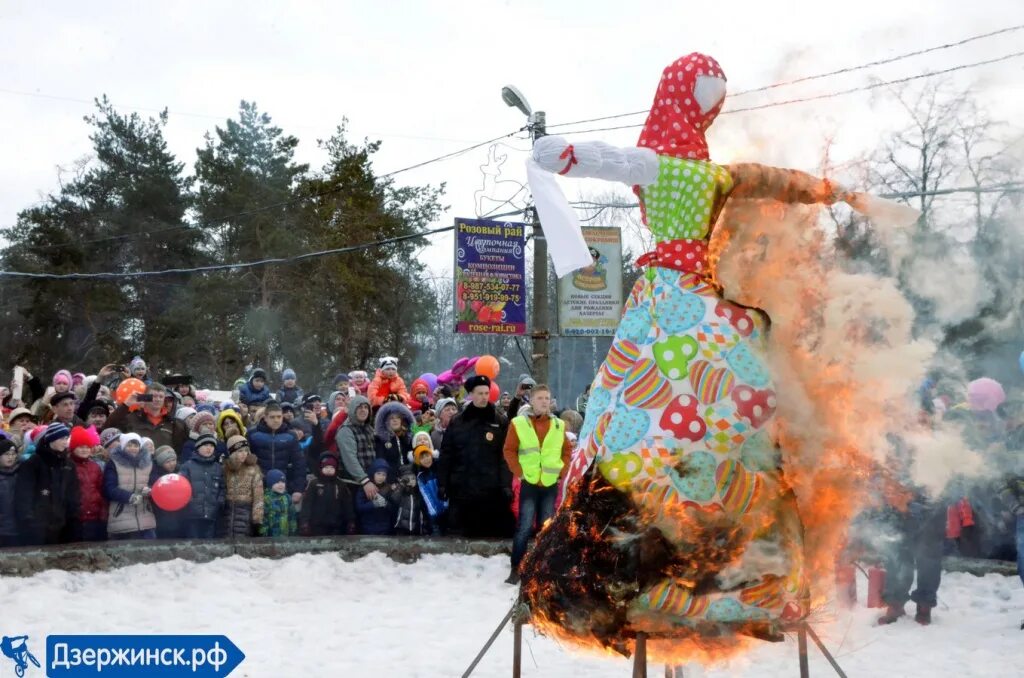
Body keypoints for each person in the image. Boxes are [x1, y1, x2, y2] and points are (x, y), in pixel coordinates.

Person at [520, 51, 858, 639]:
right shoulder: (693, 171)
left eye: (715, 101)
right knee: (689, 393)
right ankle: (682, 495)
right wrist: (831, 192)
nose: (710, 111)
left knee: (647, 396)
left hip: (676, 300)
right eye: (707, 99)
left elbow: (604, 158)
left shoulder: (683, 169)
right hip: (689, 301)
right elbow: (778, 182)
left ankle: (690, 500)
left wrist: (557, 154)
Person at [503, 384, 573, 583]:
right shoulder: (518, 423)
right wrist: (519, 473)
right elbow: (509, 450)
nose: (544, 401)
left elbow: (566, 451)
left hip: (550, 483)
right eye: (540, 398)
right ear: (531, 401)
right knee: (524, 527)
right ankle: (516, 568)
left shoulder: (559, 425)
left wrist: (562, 471)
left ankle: (543, 569)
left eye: (547, 398)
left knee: (546, 528)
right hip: (529, 482)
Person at [438, 375, 513, 538]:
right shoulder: (458, 421)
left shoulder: (499, 420)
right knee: (458, 535)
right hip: (462, 488)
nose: (484, 397)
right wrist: (442, 483)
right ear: (471, 394)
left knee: (489, 536)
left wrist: (505, 485)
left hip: (490, 490)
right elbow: (447, 454)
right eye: (480, 393)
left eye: (486, 393)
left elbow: (505, 456)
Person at [15, 422, 79, 545]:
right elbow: (24, 494)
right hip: (38, 526)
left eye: (66, 438)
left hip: (63, 524)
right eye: (61, 438)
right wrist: (28, 520)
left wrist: (73, 517)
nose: (65, 442)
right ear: (51, 439)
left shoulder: (68, 464)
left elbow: (73, 493)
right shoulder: (33, 463)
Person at [247, 402, 305, 505]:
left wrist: (298, 489)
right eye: (272, 417)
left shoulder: (290, 435)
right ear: (265, 418)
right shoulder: (253, 434)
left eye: (279, 417)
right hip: (259, 486)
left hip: (284, 485)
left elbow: (299, 464)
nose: (276, 420)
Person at [103, 432, 156, 540]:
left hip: (146, 518)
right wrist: (129, 497)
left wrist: (150, 490)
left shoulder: (149, 464)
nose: (133, 448)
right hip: (121, 519)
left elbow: (155, 483)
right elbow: (109, 489)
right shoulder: (114, 463)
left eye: (135, 445)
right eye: (129, 445)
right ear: (123, 446)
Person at [105, 382, 186, 453]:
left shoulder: (174, 423)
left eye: (161, 397)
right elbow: (108, 428)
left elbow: (181, 448)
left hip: (165, 467)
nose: (158, 399)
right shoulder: (131, 418)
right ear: (145, 397)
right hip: (137, 465)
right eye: (154, 396)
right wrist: (126, 405)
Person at [178, 433, 224, 539]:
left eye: (212, 446)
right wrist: (190, 501)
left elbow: (223, 487)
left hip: (212, 513)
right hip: (192, 514)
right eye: (206, 445)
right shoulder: (187, 466)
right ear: (198, 447)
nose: (209, 448)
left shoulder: (218, 467)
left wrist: (219, 501)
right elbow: (181, 487)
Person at [335, 396, 379, 502]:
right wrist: (364, 480)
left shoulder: (369, 428)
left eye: (366, 407)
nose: (363, 410)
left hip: (369, 482)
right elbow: (350, 459)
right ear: (353, 410)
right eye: (359, 407)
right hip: (352, 484)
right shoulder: (346, 430)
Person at [299, 455, 355, 537]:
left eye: (332, 468)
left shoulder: (341, 484)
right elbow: (307, 504)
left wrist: (351, 521)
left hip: (336, 524)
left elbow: (347, 504)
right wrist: (304, 522)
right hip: (317, 524)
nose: (329, 470)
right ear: (321, 468)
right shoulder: (313, 484)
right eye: (326, 467)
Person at [68, 425, 107, 542]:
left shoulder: (95, 467)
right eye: (80, 446)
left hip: (95, 518)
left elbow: (101, 490)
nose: (85, 450)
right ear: (73, 448)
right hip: (76, 519)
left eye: (87, 446)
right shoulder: (68, 466)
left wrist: (103, 512)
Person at [221, 435, 264, 538]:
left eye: (246, 451)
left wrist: (257, 519)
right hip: (227, 511)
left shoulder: (253, 470)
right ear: (232, 452)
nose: (243, 454)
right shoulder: (224, 469)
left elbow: (258, 496)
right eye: (239, 451)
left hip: (245, 512)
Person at [412, 435, 446, 536]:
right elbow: (425, 496)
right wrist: (432, 512)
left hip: (445, 507)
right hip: (431, 513)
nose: (426, 459)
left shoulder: (439, 468)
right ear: (418, 461)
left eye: (427, 455)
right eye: (422, 458)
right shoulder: (420, 476)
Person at [355, 458, 398, 535]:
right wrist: (373, 504)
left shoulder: (389, 488)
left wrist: (386, 504)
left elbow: (394, 508)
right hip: (367, 527)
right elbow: (359, 507)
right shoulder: (364, 488)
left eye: (384, 475)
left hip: (385, 527)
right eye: (378, 473)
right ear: (373, 473)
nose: (381, 477)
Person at [150, 446, 183, 539]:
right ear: (160, 463)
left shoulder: (181, 472)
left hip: (178, 514)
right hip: (161, 514)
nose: (172, 464)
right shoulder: (154, 475)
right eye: (167, 462)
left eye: (173, 460)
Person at [374, 401, 415, 470]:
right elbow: (381, 461)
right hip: (391, 477)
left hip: (410, 475)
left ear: (401, 420)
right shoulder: (381, 439)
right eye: (391, 418)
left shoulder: (408, 437)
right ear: (386, 422)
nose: (395, 420)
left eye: (398, 417)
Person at [260, 469, 298, 538]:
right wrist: (264, 534)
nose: (281, 485)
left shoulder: (287, 498)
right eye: (277, 482)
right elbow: (263, 519)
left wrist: (293, 532)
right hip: (270, 537)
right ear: (270, 484)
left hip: (285, 536)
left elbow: (292, 517)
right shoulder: (266, 499)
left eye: (283, 482)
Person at [393, 464, 426, 536]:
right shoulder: (401, 492)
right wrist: (402, 486)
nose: (411, 481)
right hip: (402, 528)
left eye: (413, 479)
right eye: (407, 479)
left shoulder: (419, 492)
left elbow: (424, 508)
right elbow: (394, 500)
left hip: (416, 528)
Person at [0, 439, 20, 547]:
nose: (10, 457)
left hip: (19, 528)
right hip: (2, 530)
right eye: (7, 454)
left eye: (13, 454)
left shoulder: (21, 473)